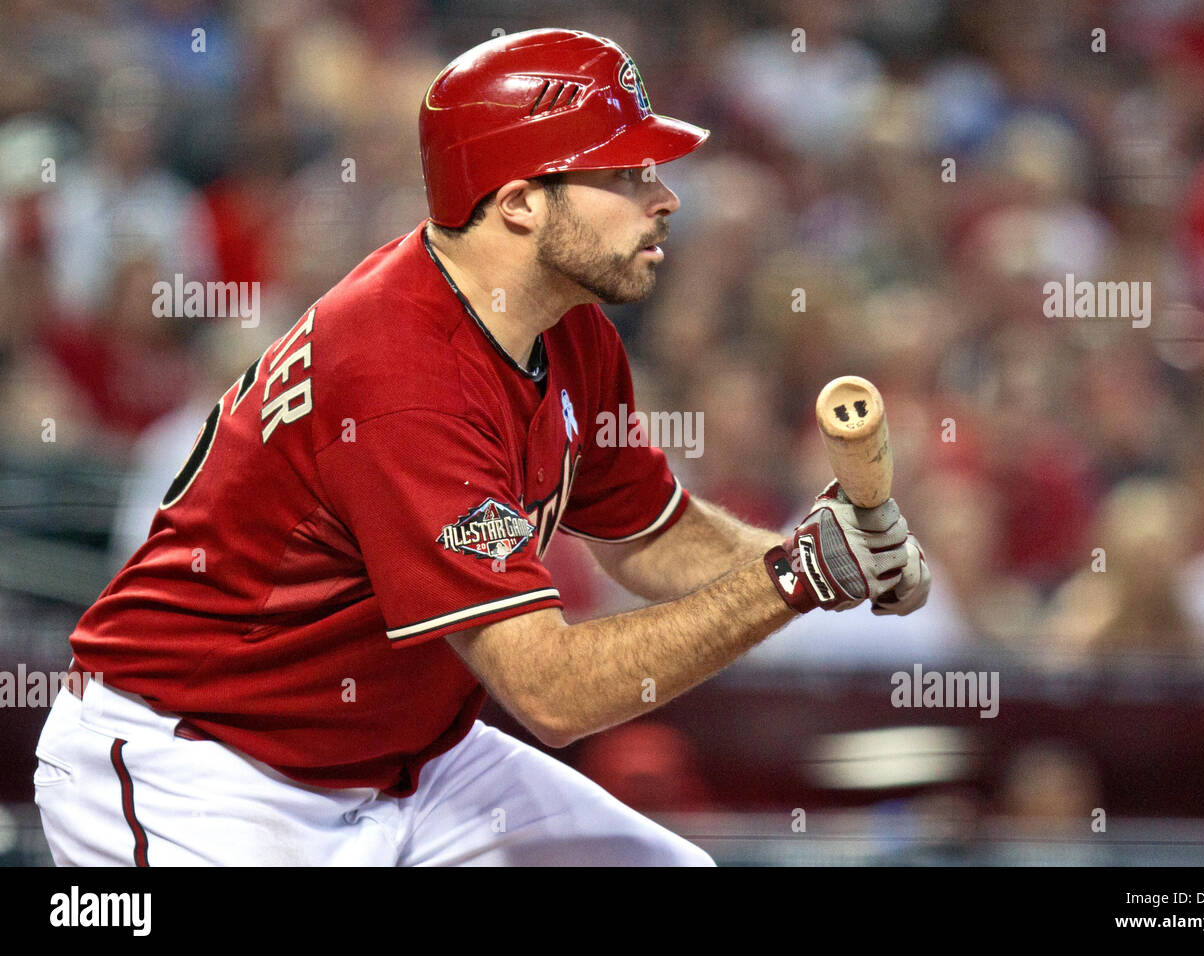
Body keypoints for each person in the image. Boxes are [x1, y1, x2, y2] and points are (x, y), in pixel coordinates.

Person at [33, 28, 929, 867]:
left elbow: (651, 535)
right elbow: (551, 694)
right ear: (518, 204)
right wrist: (795, 578)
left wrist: (824, 555)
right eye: (623, 174)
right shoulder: (401, 374)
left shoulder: (566, 328)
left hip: (408, 759)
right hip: (201, 763)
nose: (665, 197)